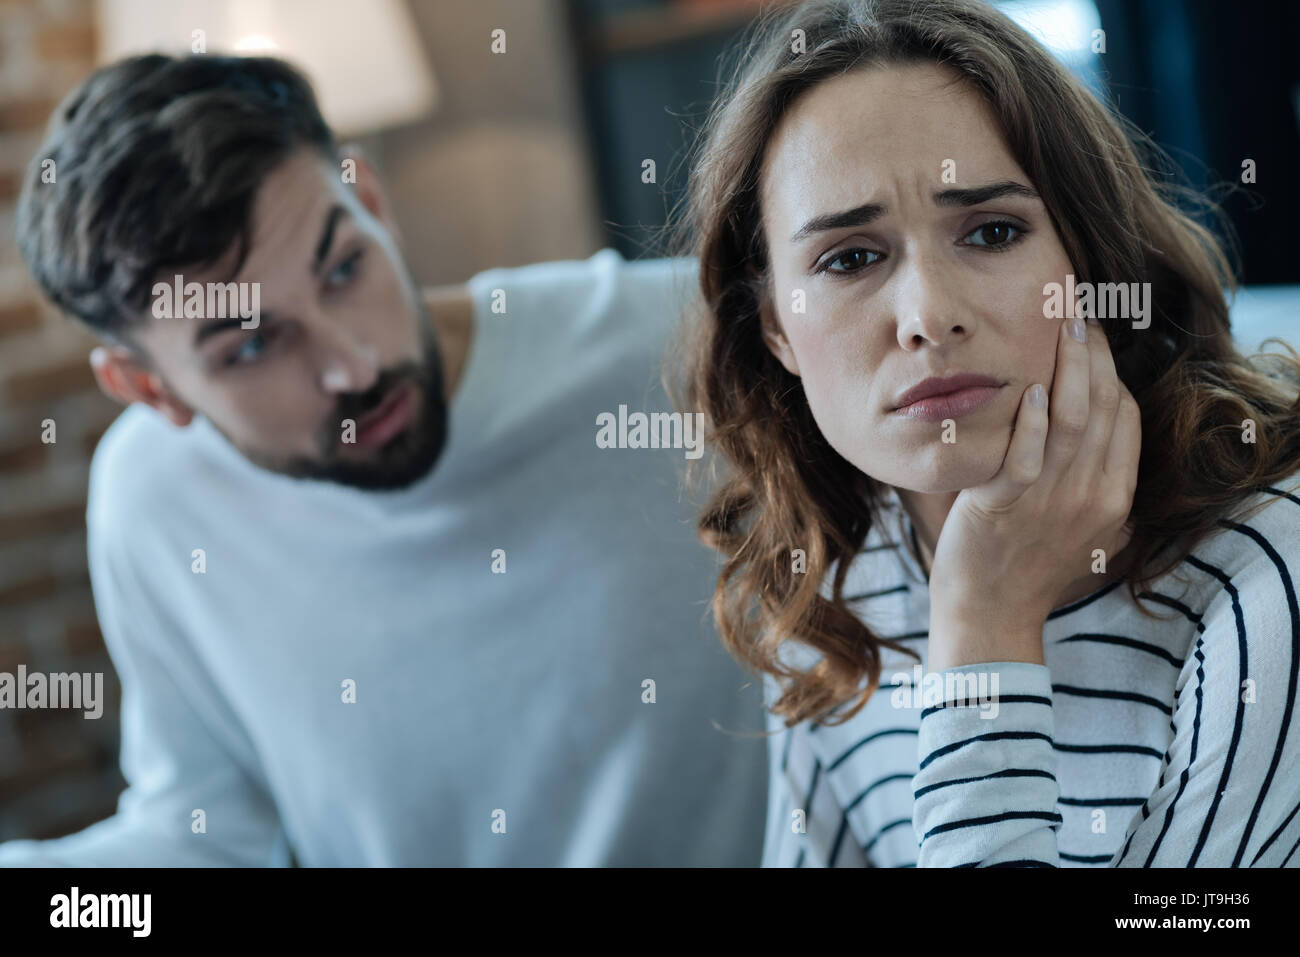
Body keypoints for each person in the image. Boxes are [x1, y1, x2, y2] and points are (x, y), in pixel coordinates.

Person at [0, 53, 769, 866]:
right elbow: (207, 833)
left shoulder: (683, 343)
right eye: (254, 343)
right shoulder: (153, 500)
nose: (356, 365)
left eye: (342, 268)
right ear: (148, 387)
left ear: (368, 200)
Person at [674, 0, 1300, 867]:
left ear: (1091, 264)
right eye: (851, 257)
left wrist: (985, 623)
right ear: (775, 323)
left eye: (994, 231)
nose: (929, 315)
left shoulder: (1267, 574)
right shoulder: (835, 581)